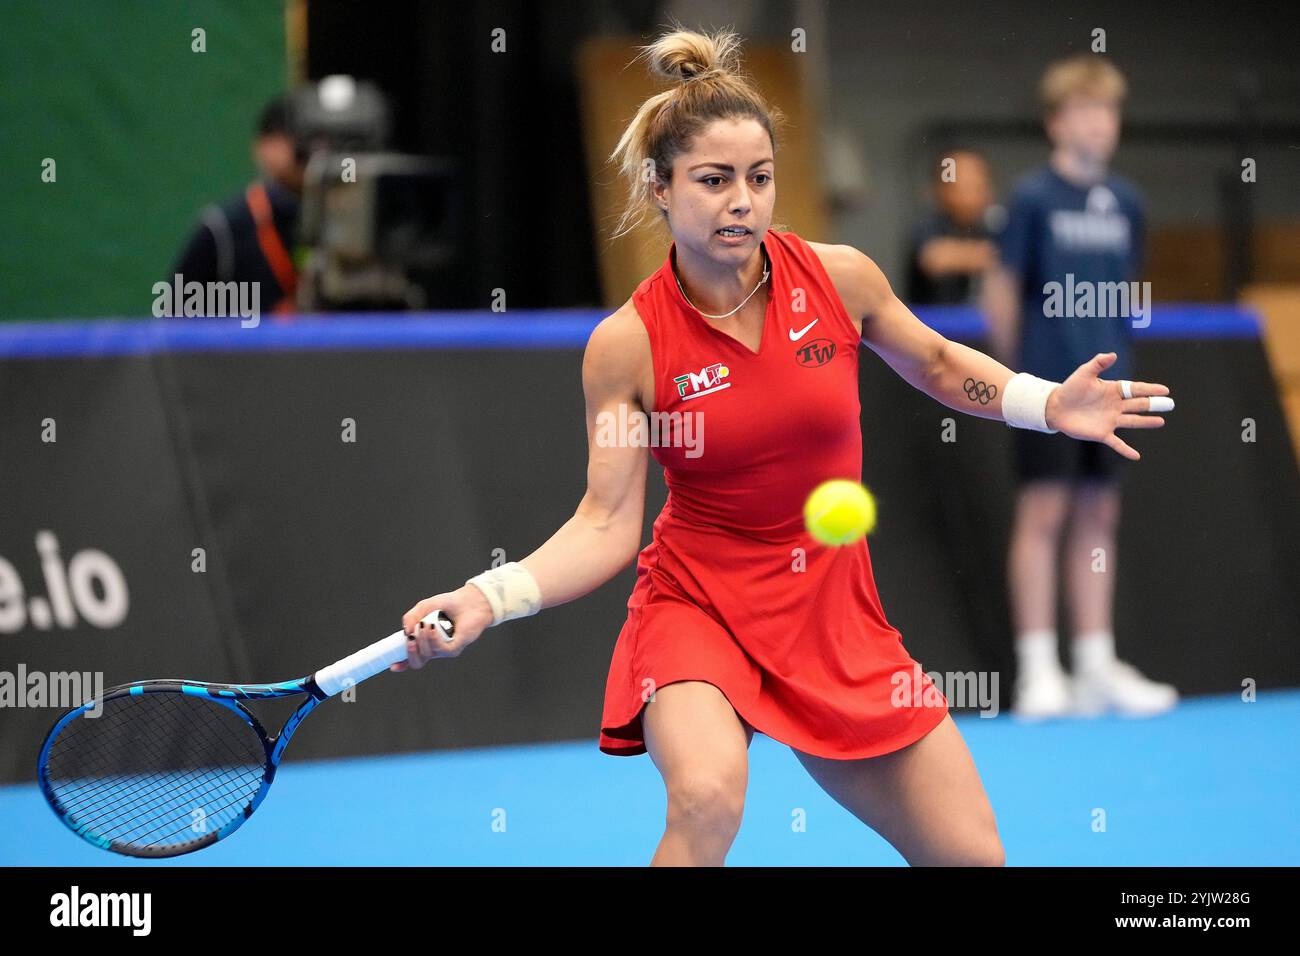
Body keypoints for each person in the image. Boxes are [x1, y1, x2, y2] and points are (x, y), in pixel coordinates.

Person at [392, 29, 1174, 866]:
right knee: (706, 798)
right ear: (659, 187)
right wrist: (489, 594)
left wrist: (1047, 403)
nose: (742, 201)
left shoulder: (840, 279)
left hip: (833, 611)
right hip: (697, 606)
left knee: (974, 858)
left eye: (759, 179)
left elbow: (940, 364)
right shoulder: (627, 346)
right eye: (713, 180)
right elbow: (606, 521)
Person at [983, 55, 1180, 721]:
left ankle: (1095, 663)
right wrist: (1024, 382)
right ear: (1056, 122)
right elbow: (1003, 290)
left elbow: (1125, 291)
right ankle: (1039, 669)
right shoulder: (1032, 199)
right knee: (1043, 514)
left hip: (1112, 388)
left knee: (1100, 512)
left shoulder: (1129, 203)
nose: (1100, 123)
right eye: (1086, 111)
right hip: (1048, 387)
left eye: (1110, 112)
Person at [170, 95, 304, 315]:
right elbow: (175, 322)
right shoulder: (223, 228)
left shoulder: (349, 222)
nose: (302, 151)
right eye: (289, 137)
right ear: (261, 147)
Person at [905, 148, 999, 305]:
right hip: (931, 324)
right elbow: (934, 258)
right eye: (964, 186)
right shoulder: (927, 225)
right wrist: (992, 257)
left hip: (979, 325)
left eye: (979, 185)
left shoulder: (992, 226)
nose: (973, 194)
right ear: (941, 189)